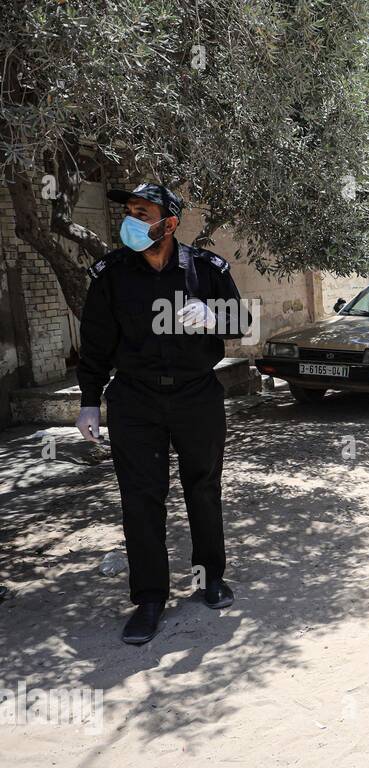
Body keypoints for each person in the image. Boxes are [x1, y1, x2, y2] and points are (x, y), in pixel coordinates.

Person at [75, 182, 247, 645]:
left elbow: (243, 322)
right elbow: (93, 343)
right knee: (140, 499)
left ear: (169, 222)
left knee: (203, 489)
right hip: (134, 400)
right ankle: (149, 599)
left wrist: (215, 316)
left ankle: (209, 577)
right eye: (128, 211)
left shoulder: (207, 268)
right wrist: (90, 400)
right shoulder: (112, 273)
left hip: (196, 396)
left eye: (141, 211)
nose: (130, 219)